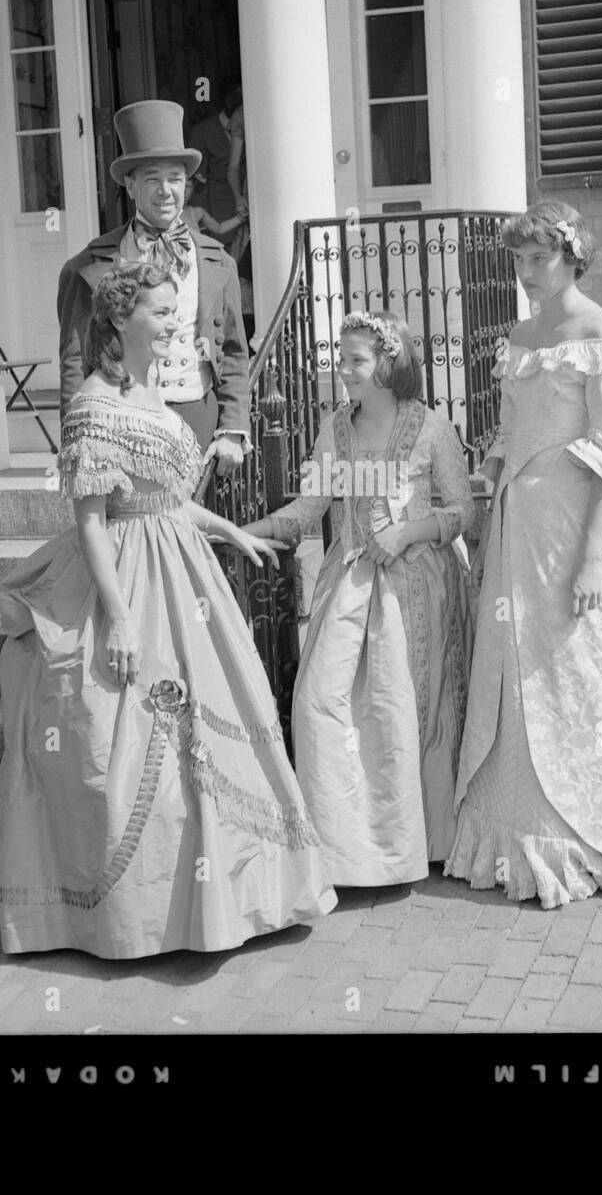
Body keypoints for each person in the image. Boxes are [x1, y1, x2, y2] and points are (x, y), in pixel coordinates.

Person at [0, 261, 336, 958]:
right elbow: (90, 519)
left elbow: (168, 500)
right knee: (127, 742)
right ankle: (135, 915)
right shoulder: (93, 401)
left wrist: (227, 529)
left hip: (184, 568)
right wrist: (117, 619)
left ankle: (234, 900)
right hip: (124, 573)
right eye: (163, 312)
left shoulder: (155, 397)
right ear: (121, 318)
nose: (176, 324)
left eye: (177, 312)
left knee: (222, 728)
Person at [445, 203, 602, 907]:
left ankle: (596, 836)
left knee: (585, 674)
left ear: (572, 257)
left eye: (537, 259)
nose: (525, 273)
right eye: (518, 261)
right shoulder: (518, 334)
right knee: (517, 675)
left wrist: (594, 557)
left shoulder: (597, 332)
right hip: (520, 527)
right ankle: (523, 837)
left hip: (576, 529)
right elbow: (509, 433)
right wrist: (485, 489)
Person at [242, 313, 474, 886]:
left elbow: (463, 510)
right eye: (339, 359)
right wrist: (251, 530)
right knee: (322, 702)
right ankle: (347, 855)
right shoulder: (335, 430)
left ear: (388, 364)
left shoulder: (431, 428)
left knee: (406, 715)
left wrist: (408, 532)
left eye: (355, 361)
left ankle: (421, 845)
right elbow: (308, 508)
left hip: (415, 586)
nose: (342, 371)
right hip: (348, 584)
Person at [57, 99, 249, 477]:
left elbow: (234, 352)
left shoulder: (218, 261)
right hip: (122, 422)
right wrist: (79, 441)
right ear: (130, 185)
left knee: (196, 534)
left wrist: (232, 429)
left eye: (175, 178)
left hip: (199, 420)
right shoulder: (89, 267)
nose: (166, 191)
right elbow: (74, 361)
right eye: (152, 178)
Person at [188, 81, 244, 234]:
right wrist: (202, 225)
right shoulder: (202, 132)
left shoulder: (254, 124)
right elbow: (197, 183)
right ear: (226, 101)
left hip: (251, 210)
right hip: (219, 216)